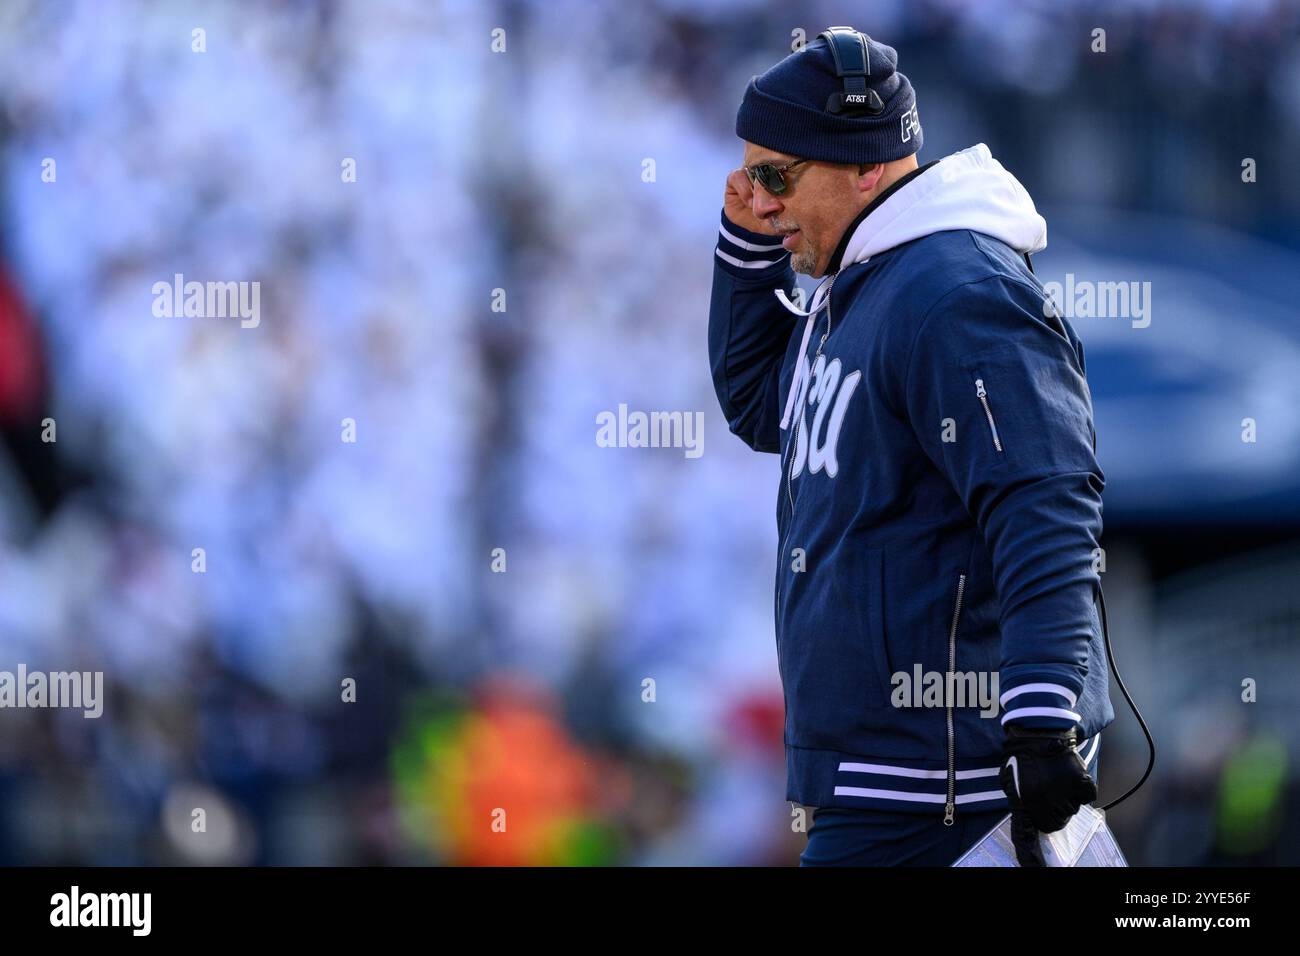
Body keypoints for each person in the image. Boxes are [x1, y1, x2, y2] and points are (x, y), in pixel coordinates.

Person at [707, 27, 1111, 866]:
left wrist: (1040, 714)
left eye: (776, 176)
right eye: (749, 175)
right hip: (886, 783)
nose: (760, 197)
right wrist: (748, 251)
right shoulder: (867, 283)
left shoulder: (954, 288)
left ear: (864, 165)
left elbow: (1044, 500)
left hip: (951, 789)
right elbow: (763, 408)